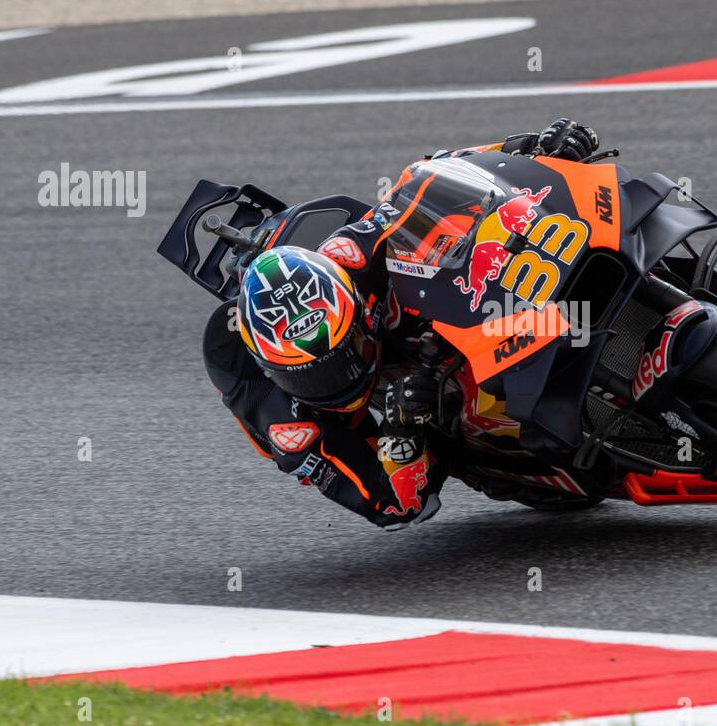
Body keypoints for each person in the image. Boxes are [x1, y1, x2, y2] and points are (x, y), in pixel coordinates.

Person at [201, 118, 599, 528]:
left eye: (344, 355)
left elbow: (433, 176)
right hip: (407, 423)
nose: (340, 378)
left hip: (410, 325)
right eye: (311, 378)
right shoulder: (280, 414)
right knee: (479, 415)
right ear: (270, 367)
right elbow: (392, 507)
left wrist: (533, 147)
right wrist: (401, 432)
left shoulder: (351, 253)